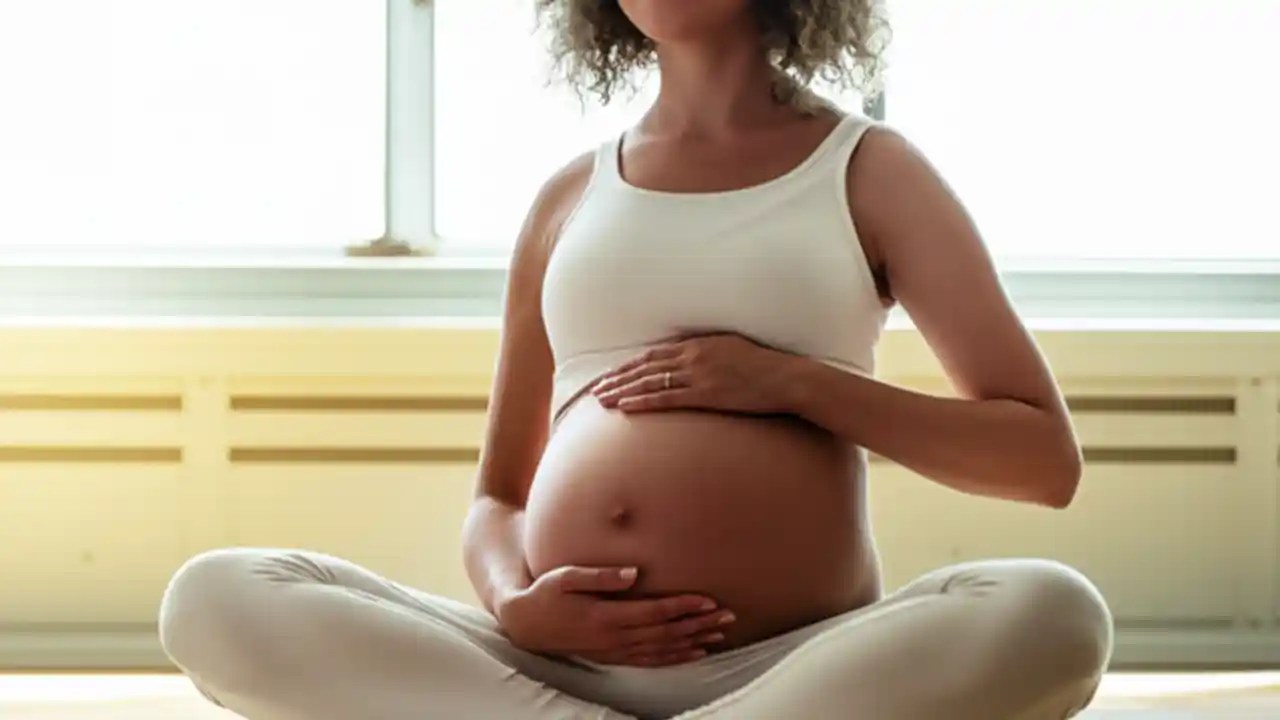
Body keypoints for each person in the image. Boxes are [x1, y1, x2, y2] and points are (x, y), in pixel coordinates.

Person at [157, 1, 1113, 717]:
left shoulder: (870, 170)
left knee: (1055, 613)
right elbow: (499, 498)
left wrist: (792, 383)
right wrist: (514, 605)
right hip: (544, 674)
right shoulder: (569, 197)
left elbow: (1040, 461)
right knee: (216, 596)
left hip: (791, 671)